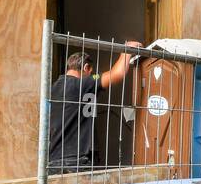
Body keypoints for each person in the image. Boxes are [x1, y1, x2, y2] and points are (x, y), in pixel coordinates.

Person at [47, 43, 138, 173]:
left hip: (54, 161)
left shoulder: (52, 89)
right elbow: (117, 73)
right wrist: (127, 50)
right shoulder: (82, 83)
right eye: (91, 72)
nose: (91, 75)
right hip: (77, 161)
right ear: (86, 67)